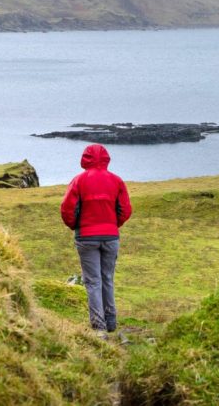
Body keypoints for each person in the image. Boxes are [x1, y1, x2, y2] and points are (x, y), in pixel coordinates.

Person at [60, 144, 132, 336]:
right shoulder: (116, 181)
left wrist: (76, 226)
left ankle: (99, 327)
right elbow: (125, 210)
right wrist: (112, 225)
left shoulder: (79, 181)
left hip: (86, 237)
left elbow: (67, 209)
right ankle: (111, 322)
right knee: (107, 278)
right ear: (106, 158)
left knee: (93, 282)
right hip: (110, 236)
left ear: (85, 158)